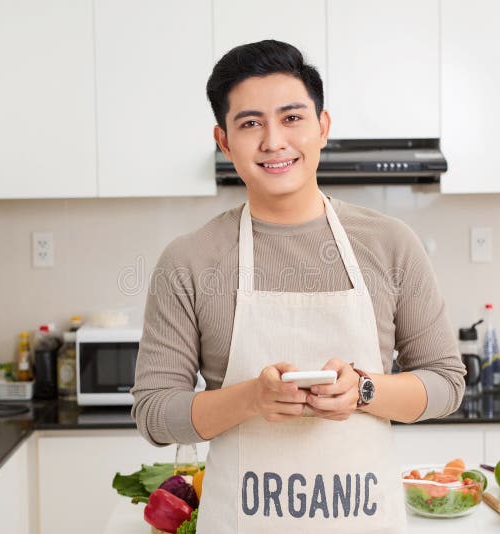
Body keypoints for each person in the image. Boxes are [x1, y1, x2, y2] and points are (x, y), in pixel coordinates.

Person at [132, 40, 465, 533]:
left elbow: (445, 383)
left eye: (292, 118)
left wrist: (364, 390)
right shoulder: (188, 260)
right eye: (250, 124)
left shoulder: (391, 244)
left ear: (322, 127)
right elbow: (154, 413)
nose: (273, 141)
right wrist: (250, 400)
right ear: (224, 142)